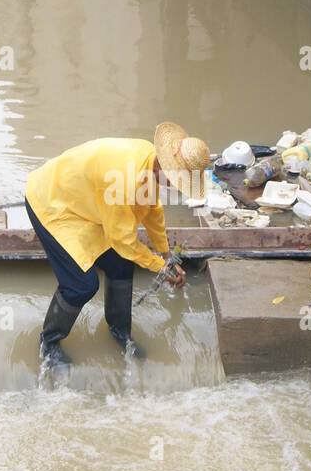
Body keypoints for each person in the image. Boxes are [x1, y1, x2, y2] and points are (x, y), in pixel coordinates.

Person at [24, 122, 211, 366]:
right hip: (52, 201)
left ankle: (119, 331)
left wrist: (166, 256)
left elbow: (151, 211)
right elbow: (123, 241)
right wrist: (160, 267)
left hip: (87, 202)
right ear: (164, 166)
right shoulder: (125, 179)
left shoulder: (148, 160)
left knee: (122, 264)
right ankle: (48, 343)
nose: (175, 188)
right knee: (81, 285)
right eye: (177, 182)